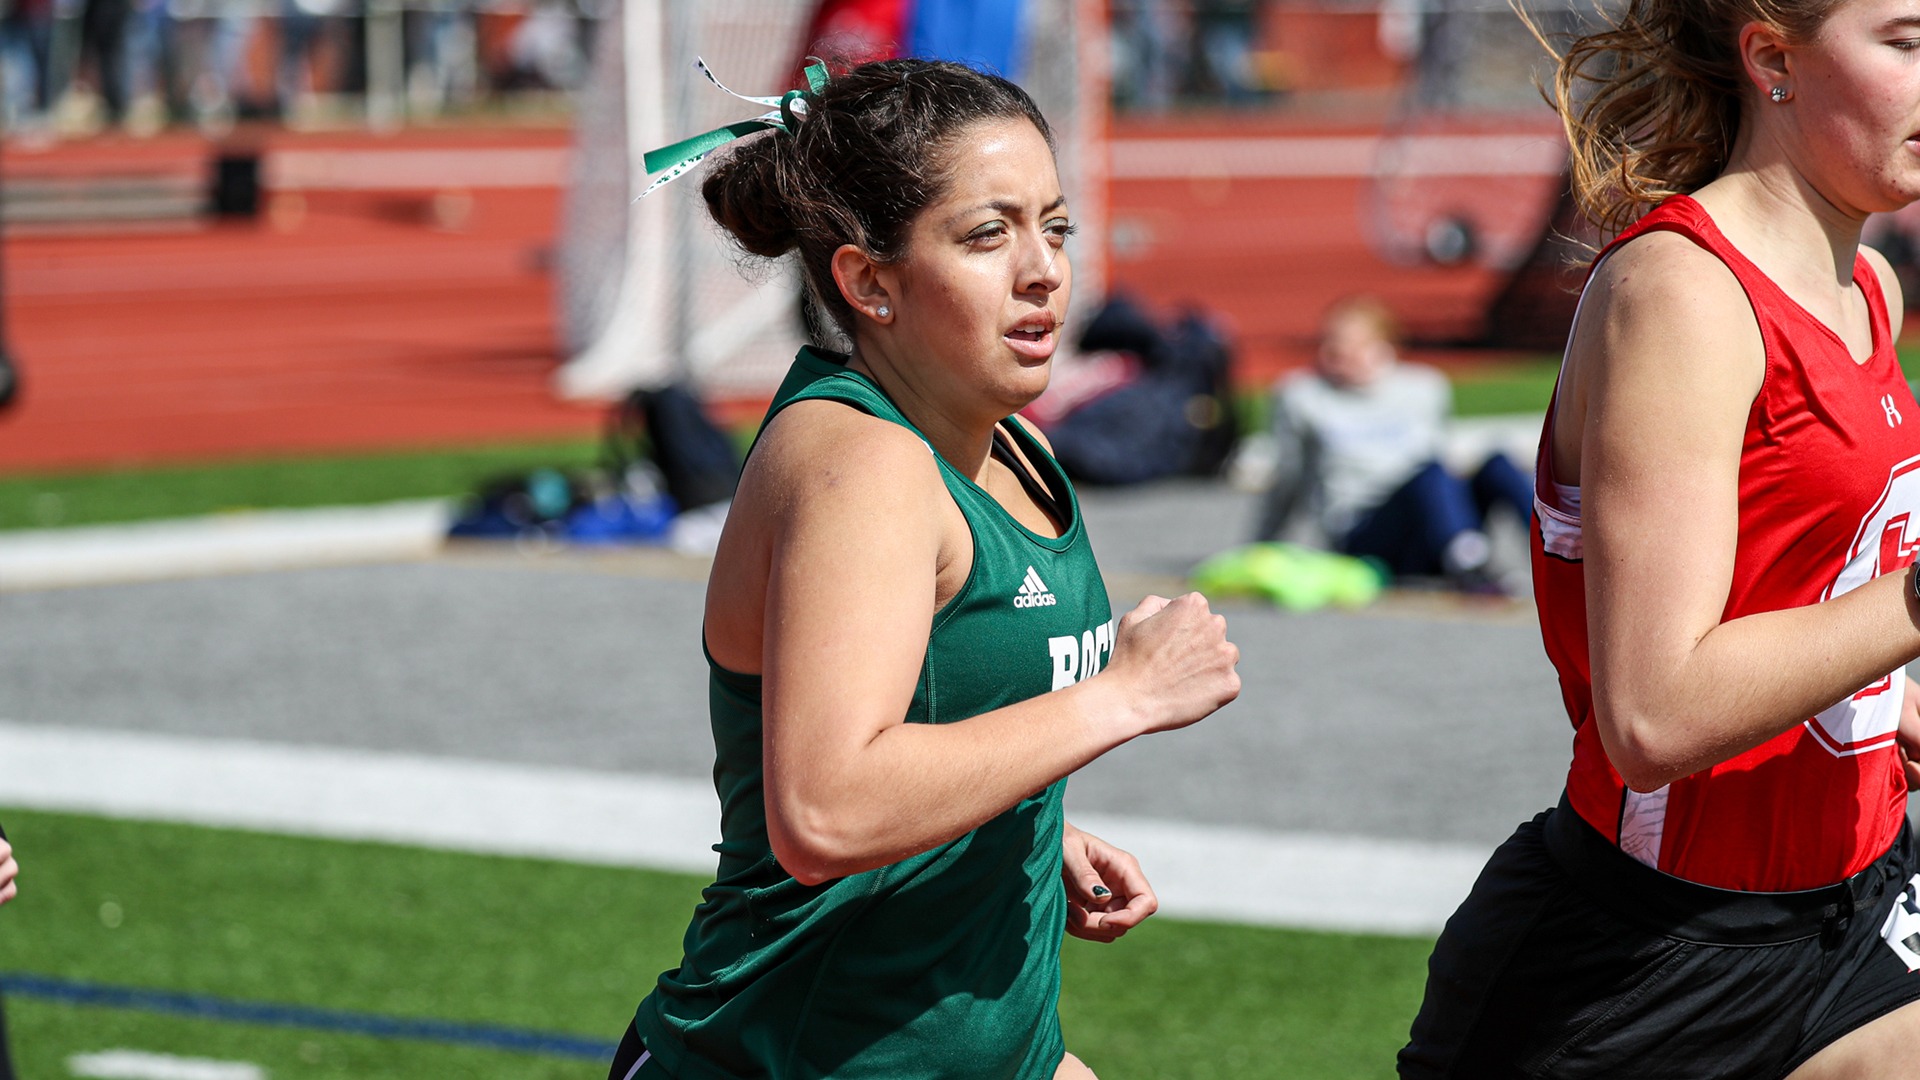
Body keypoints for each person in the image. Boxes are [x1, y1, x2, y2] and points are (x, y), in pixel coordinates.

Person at [607, 59, 1241, 1080]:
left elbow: (942, 709)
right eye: (988, 235)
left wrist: (1026, 824)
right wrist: (1121, 697)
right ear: (868, 281)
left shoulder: (1008, 444)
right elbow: (827, 809)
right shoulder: (865, 465)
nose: (1043, 270)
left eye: (1056, 227)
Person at [1401, 1, 1920, 1076]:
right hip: (1651, 958)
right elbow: (1653, 710)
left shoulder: (1867, 282)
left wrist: (1883, 706)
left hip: (1856, 907)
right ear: (1774, 58)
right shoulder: (1682, 294)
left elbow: (1809, 577)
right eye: (1907, 42)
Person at [1252, 296, 1531, 593]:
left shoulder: (1424, 387)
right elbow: (1290, 475)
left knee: (1497, 464)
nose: (1337, 354)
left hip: (1426, 525)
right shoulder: (1303, 396)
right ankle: (1469, 565)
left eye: (1353, 345)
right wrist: (1263, 545)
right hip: (1364, 532)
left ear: (1385, 347)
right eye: (1330, 344)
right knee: (1430, 474)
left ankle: (1560, 554)